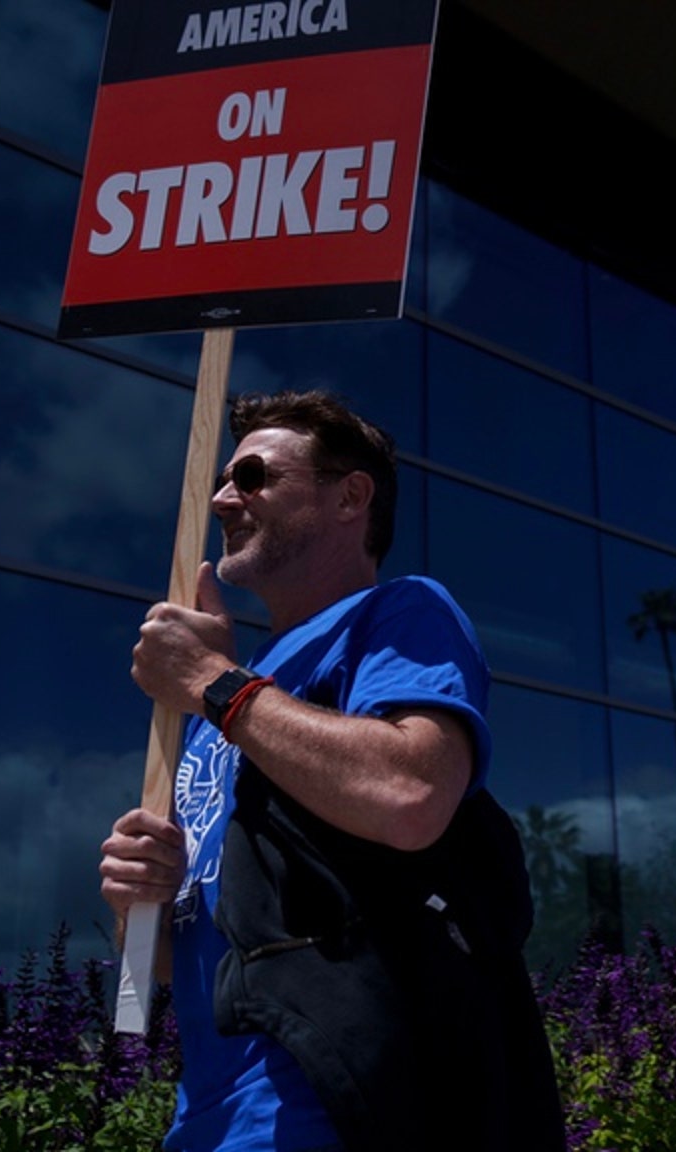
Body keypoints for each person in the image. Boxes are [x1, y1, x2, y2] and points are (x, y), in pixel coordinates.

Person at [98, 391, 565, 1152]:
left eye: (251, 475)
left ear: (351, 496)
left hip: (340, 1109)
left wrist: (215, 683)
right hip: (209, 1120)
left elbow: (411, 794)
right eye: (222, 479)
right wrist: (137, 900)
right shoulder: (224, 709)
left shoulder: (400, 612)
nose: (222, 498)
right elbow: (171, 967)